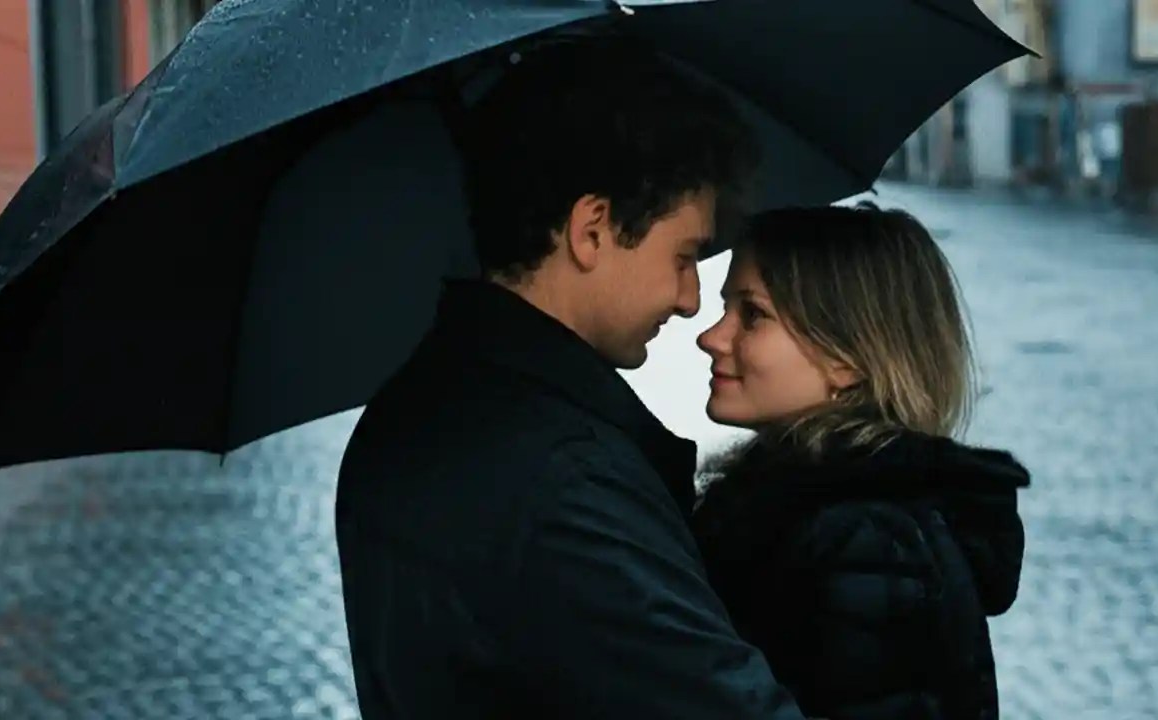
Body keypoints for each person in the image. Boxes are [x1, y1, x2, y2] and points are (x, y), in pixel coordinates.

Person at [335, 39, 806, 719]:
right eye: (684, 256)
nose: (688, 299)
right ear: (592, 229)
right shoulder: (563, 478)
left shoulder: (416, 405)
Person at [692, 203, 1030, 720]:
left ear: (846, 360)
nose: (711, 337)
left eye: (752, 314)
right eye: (724, 309)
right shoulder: (797, 510)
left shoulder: (869, 540)